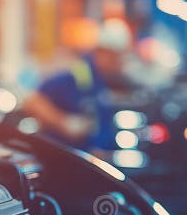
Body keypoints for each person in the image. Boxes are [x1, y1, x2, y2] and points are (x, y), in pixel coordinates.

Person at [23, 20, 131, 149]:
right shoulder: (81, 73)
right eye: (117, 57)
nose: (120, 62)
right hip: (65, 156)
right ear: (103, 53)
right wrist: (64, 123)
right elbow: (34, 101)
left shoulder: (100, 79)